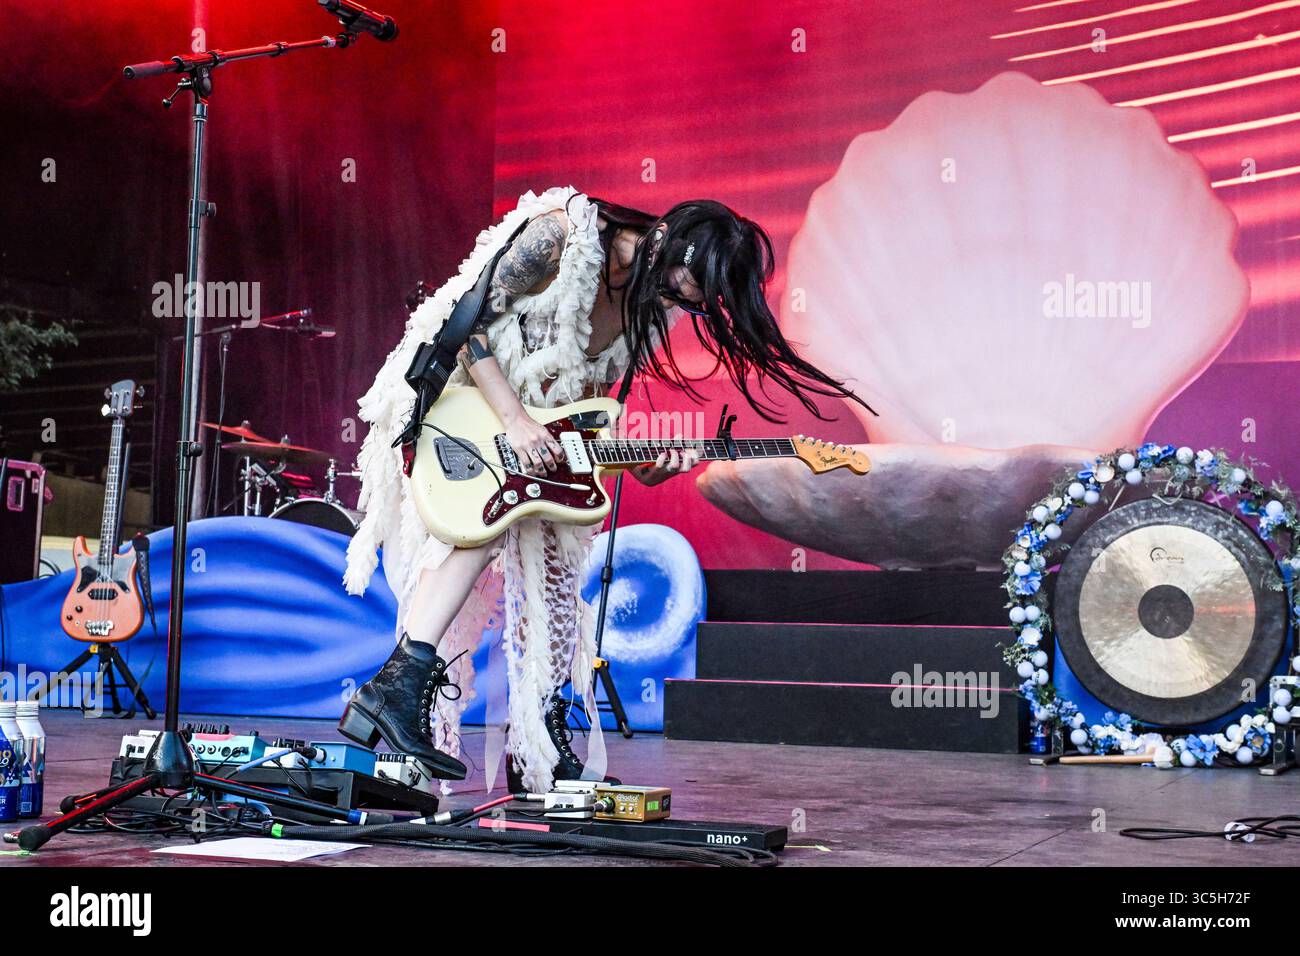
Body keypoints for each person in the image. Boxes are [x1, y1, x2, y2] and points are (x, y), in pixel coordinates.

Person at [341, 186, 871, 793]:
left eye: (696, 304)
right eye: (687, 289)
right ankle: (400, 692)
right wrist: (514, 418)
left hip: (540, 436)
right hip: (462, 403)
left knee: (560, 570)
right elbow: (467, 327)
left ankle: (534, 744)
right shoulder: (558, 238)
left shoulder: (658, 303)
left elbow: (592, 401)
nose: (686, 307)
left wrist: (641, 462)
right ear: (669, 247)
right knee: (479, 532)